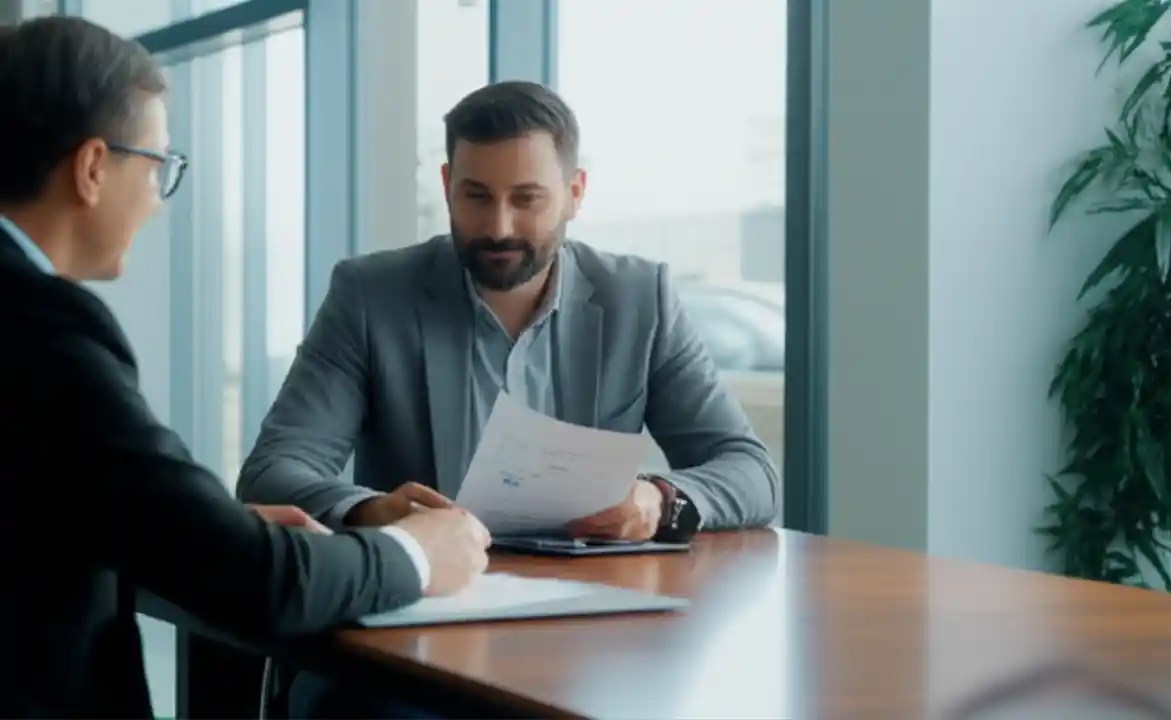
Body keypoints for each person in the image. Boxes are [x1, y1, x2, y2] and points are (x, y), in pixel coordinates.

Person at [0, 17, 489, 718]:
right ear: (93, 168)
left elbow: (46, 508)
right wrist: (414, 553)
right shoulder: (42, 329)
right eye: (158, 166)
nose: (157, 201)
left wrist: (199, 526)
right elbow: (258, 582)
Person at [237, 80, 780, 544]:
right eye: (476, 196)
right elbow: (272, 472)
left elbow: (752, 472)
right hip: (424, 602)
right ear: (447, 187)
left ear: (575, 193)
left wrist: (661, 499)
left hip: (598, 604)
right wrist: (372, 511)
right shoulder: (371, 296)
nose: (499, 227)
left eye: (527, 199)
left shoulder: (640, 299)